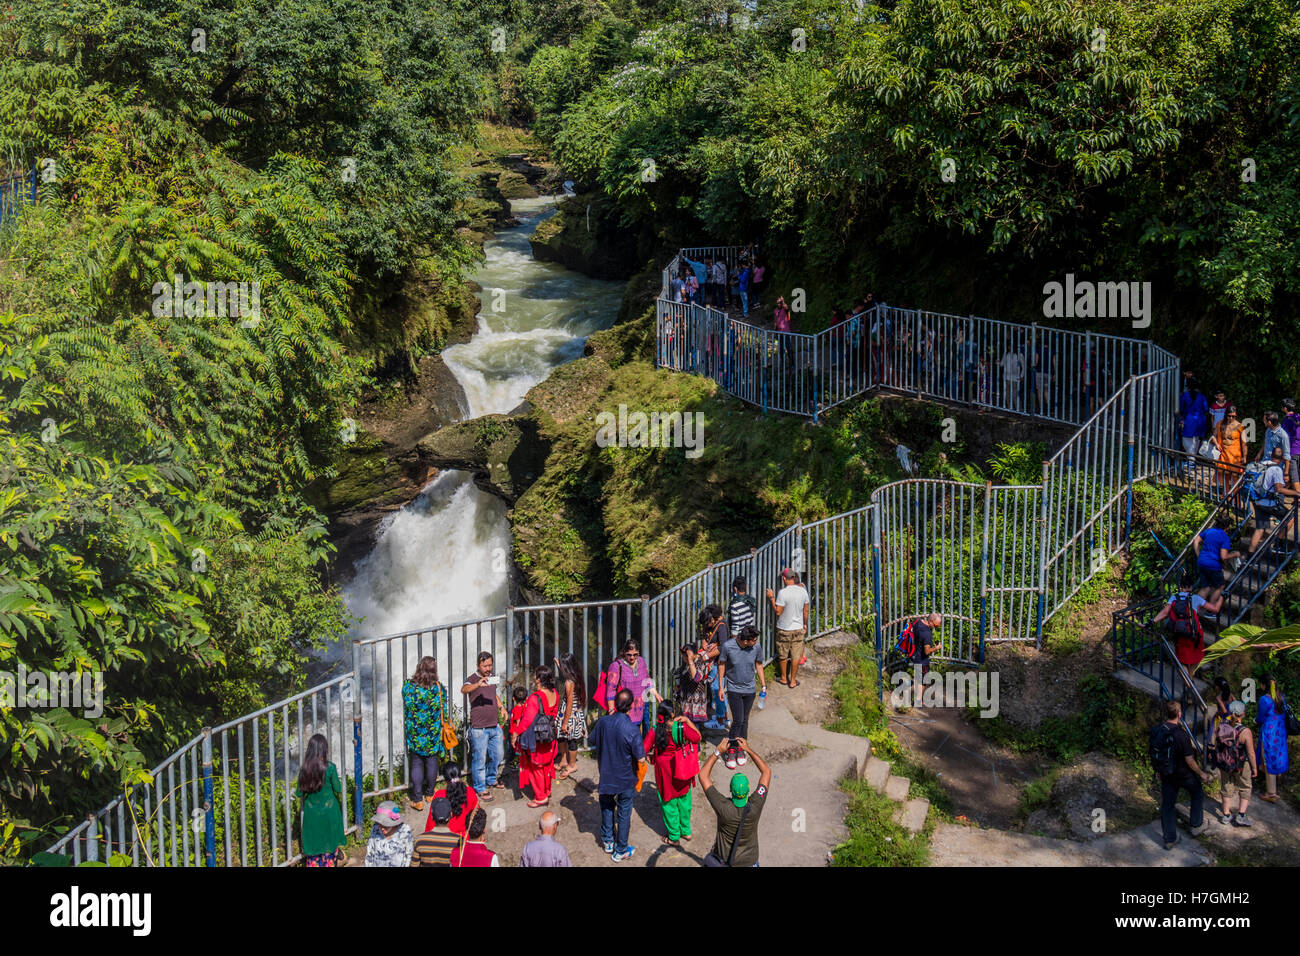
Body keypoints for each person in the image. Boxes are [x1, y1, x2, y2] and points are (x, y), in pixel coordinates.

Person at [587, 688, 646, 861]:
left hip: (606, 775)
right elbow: (641, 758)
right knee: (624, 812)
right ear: (630, 706)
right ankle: (621, 849)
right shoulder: (632, 729)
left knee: (606, 806)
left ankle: (608, 841)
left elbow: (592, 740)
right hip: (626, 779)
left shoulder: (603, 722)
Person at [1150, 700, 1211, 850]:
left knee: (1167, 805)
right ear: (1179, 714)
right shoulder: (1181, 735)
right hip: (1184, 775)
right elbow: (1190, 761)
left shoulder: (1157, 730)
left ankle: (1169, 839)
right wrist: (1201, 773)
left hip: (1167, 774)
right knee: (1197, 793)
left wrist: (1158, 770)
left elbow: (1155, 752)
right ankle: (1196, 825)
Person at [700, 737, 770, 867]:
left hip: (725, 860)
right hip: (750, 862)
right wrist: (747, 749)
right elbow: (766, 771)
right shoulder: (756, 804)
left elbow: (703, 775)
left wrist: (718, 751)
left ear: (730, 790)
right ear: (749, 789)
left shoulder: (723, 807)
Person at [643, 704, 702, 845]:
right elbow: (697, 737)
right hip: (682, 766)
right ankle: (686, 831)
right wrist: (688, 721)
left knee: (669, 803)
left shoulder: (655, 730)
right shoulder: (681, 727)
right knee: (684, 800)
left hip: (664, 771)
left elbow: (643, 749)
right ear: (673, 714)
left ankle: (674, 836)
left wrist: (650, 757)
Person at [401, 656, 449, 813]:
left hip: (415, 733)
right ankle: (429, 794)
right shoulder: (438, 688)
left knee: (416, 763)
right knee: (431, 762)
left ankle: (417, 799)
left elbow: (405, 697)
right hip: (432, 734)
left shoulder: (410, 687)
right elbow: (444, 707)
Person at [717, 624, 767, 769]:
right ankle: (731, 749)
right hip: (734, 689)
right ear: (745, 641)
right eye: (754, 640)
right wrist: (721, 687)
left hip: (750, 689)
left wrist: (763, 685)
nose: (756, 642)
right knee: (737, 720)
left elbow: (759, 664)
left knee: (745, 720)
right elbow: (721, 665)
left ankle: (742, 748)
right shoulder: (728, 646)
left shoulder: (756, 647)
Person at [510, 664, 561, 808]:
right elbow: (555, 713)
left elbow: (526, 720)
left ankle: (540, 797)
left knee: (536, 766)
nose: (533, 677)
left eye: (535, 675)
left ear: (538, 679)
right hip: (550, 734)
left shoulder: (535, 697)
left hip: (537, 737)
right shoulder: (555, 693)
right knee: (547, 764)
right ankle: (547, 790)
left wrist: (515, 733)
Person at [1151, 574, 1224, 672]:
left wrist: (1152, 622)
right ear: (1191, 586)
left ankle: (1188, 683)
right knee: (1195, 658)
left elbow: (1165, 613)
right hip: (1194, 633)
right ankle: (1190, 679)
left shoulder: (1174, 598)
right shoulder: (1196, 598)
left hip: (1180, 632)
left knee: (1182, 659)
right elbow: (1215, 609)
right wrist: (1222, 597)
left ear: (1181, 586)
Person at [461, 652, 508, 802]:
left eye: (490, 665)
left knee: (498, 754)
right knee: (479, 759)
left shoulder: (492, 677)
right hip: (479, 728)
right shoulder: (472, 679)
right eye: (485, 666)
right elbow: (464, 689)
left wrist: (501, 707)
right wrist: (478, 684)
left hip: (494, 725)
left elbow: (493, 694)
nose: (488, 668)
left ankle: (491, 777)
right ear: (478, 666)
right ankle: (480, 787)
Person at [296, 733, 345, 867]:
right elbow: (338, 788)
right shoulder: (330, 767)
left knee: (314, 846)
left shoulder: (304, 769)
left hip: (312, 815)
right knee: (329, 846)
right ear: (324, 749)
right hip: (330, 812)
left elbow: (298, 793)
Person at [1247, 445, 1300, 555]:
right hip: (1268, 502)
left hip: (1257, 500)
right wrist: (1297, 493)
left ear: (1271, 456)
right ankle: (1278, 544)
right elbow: (1279, 489)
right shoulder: (1277, 469)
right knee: (1290, 518)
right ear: (1282, 459)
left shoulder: (1262, 464)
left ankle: (1249, 556)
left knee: (1260, 528)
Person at [1212, 701, 1256, 827]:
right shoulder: (1245, 731)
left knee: (1226, 786)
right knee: (1245, 787)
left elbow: (1216, 744)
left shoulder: (1221, 726)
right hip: (1241, 764)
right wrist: (1254, 768)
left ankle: (1226, 815)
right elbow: (1251, 752)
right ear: (1243, 714)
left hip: (1225, 763)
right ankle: (1241, 816)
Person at [605, 638, 661, 737]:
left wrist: (656, 694)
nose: (632, 658)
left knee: (635, 739)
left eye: (635, 654)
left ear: (638, 653)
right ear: (624, 653)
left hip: (638, 710)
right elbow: (610, 690)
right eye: (629, 655)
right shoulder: (616, 666)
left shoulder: (642, 662)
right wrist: (611, 711)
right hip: (623, 712)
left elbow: (646, 680)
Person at [766, 568, 810, 688]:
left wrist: (771, 598)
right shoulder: (803, 592)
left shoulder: (782, 593)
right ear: (794, 577)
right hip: (798, 627)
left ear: (784, 579)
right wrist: (805, 624)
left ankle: (784, 678)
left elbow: (778, 612)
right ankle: (793, 681)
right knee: (796, 655)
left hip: (784, 628)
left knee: (783, 655)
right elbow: (806, 611)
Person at [1192, 513, 1239, 605]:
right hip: (1213, 565)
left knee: (1205, 588)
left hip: (1202, 562)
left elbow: (1196, 540)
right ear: (1227, 526)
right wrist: (1235, 554)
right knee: (1220, 586)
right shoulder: (1225, 538)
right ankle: (1211, 609)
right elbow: (1224, 556)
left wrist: (1199, 555)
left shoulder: (1209, 531)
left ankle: (1193, 610)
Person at [554, 652, 588, 780]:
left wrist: (565, 722)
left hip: (570, 714)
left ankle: (572, 765)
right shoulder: (576, 675)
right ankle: (563, 760)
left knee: (571, 740)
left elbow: (569, 703)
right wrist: (558, 665)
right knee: (562, 737)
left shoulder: (569, 682)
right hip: (574, 712)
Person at [1256, 677, 1290, 804]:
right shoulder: (1281, 697)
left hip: (1269, 734)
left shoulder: (1264, 699)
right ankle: (1277, 784)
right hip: (1280, 733)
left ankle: (1271, 793)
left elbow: (1260, 717)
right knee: (1278, 757)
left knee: (1268, 760)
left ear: (1264, 685)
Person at [697, 605, 729, 729]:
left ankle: (720, 721)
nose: (706, 626)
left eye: (707, 623)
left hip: (717, 664)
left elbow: (723, 647)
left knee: (717, 690)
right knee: (719, 691)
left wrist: (706, 656)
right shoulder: (712, 624)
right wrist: (704, 641)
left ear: (713, 619)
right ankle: (725, 717)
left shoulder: (721, 627)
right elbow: (705, 634)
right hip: (714, 662)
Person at [428, 763, 478, 836]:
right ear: (460, 775)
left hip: (445, 838)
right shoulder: (470, 792)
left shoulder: (439, 795)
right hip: (465, 838)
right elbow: (476, 816)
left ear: (445, 779)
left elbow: (431, 821)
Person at [411, 797, 460, 867]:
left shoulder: (419, 840)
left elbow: (414, 865)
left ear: (432, 816)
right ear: (451, 814)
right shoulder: (459, 841)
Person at [364, 801, 413, 867]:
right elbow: (370, 851)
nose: (382, 828)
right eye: (380, 824)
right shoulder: (375, 828)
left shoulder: (404, 830)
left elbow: (408, 855)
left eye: (386, 825)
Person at [1178, 378, 1211, 468]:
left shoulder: (1185, 396)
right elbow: (1206, 409)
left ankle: (1191, 461)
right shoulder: (1202, 396)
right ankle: (1192, 460)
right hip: (1200, 420)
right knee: (1196, 440)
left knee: (1187, 441)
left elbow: (1180, 409)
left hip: (1189, 420)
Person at [675, 643, 711, 724]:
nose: (684, 657)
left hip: (696, 702)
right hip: (686, 701)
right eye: (684, 655)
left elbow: (696, 678)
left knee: (695, 727)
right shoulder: (685, 663)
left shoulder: (701, 663)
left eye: (687, 655)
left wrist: (690, 661)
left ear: (695, 654)